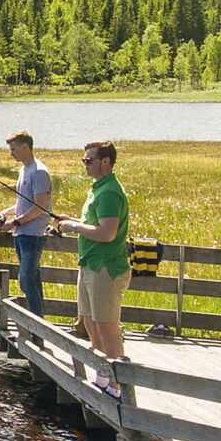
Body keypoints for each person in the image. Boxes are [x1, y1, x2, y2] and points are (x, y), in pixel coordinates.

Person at [50, 141, 130, 399]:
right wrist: (72, 221)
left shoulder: (109, 192)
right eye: (84, 160)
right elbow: (93, 224)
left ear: (105, 161)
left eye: (89, 160)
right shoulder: (98, 189)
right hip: (89, 265)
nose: (85, 164)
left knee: (107, 328)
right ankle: (102, 380)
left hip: (105, 267)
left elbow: (107, 233)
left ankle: (117, 389)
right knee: (89, 323)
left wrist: (74, 227)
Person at [0, 130, 54, 312]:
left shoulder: (39, 172)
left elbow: (40, 206)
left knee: (26, 280)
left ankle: (37, 324)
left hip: (33, 235)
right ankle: (38, 323)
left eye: (14, 149)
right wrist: (6, 213)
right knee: (32, 280)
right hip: (21, 234)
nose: (11, 154)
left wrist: (15, 222)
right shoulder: (23, 170)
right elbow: (23, 202)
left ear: (25, 147)